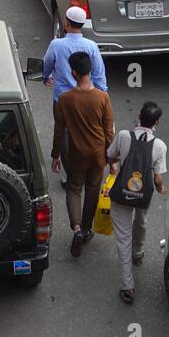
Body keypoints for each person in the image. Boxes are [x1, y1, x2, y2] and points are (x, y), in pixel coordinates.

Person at [51, 49, 114, 258]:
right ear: (91, 70)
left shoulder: (65, 100)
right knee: (93, 190)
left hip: (75, 154)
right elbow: (108, 130)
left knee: (74, 189)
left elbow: (59, 131)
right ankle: (87, 230)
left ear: (74, 73)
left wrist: (55, 155)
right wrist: (112, 159)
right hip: (97, 155)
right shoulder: (102, 98)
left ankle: (77, 228)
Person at [106, 101, 167, 303]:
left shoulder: (124, 136)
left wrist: (114, 166)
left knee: (123, 238)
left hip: (122, 193)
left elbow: (110, 156)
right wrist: (161, 189)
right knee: (140, 221)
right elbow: (157, 178)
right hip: (143, 195)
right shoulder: (159, 146)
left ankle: (127, 286)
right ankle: (138, 253)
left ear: (139, 117)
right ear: (156, 122)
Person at [43, 6, 108, 106]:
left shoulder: (56, 45)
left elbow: (46, 66)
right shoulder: (92, 46)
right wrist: (102, 94)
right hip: (86, 100)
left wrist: (45, 77)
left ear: (67, 23)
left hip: (61, 100)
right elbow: (98, 73)